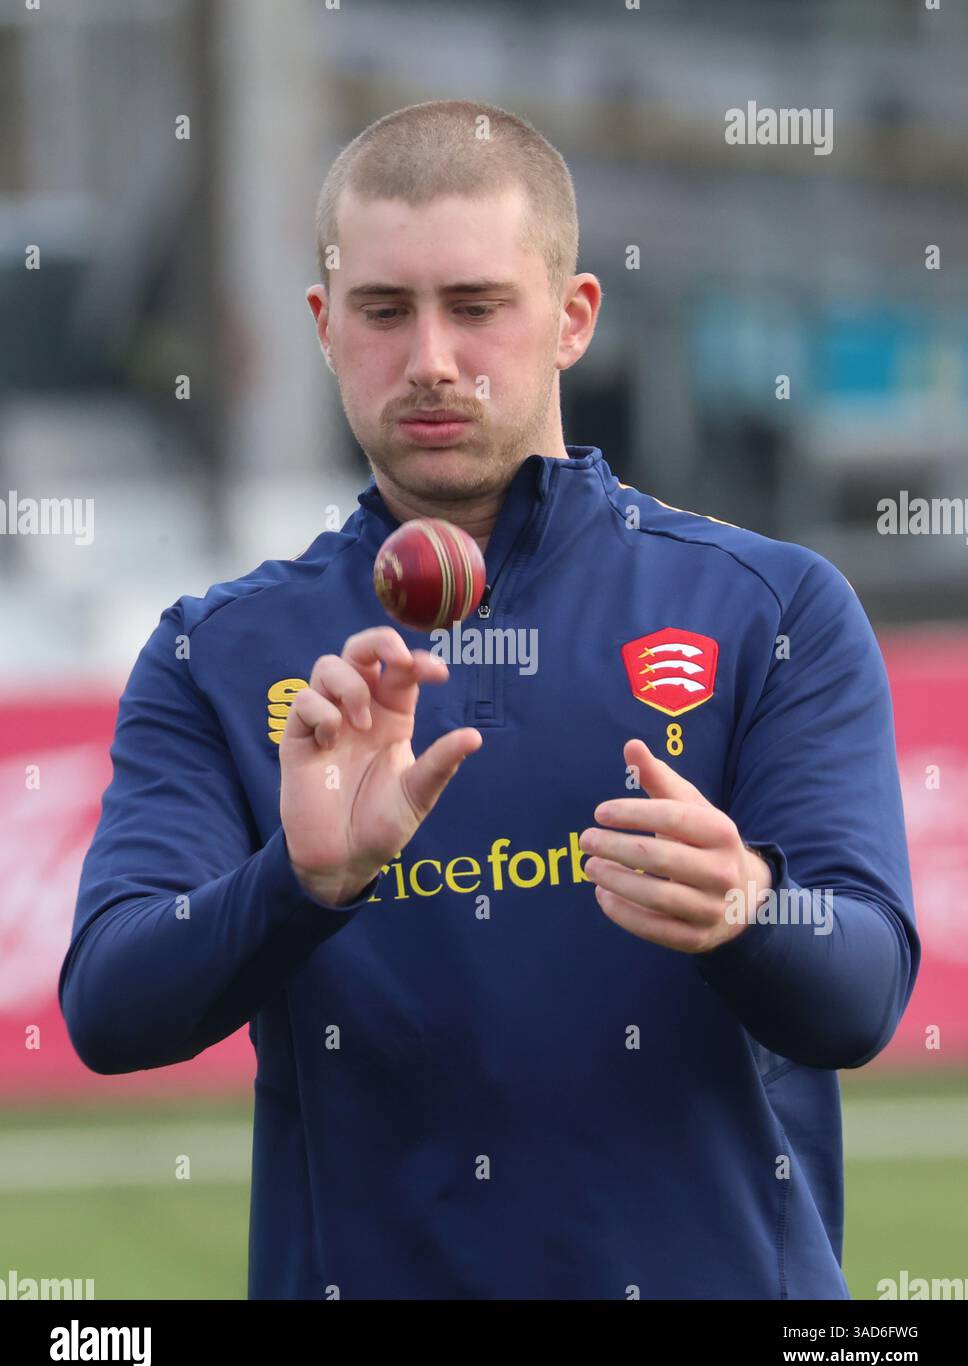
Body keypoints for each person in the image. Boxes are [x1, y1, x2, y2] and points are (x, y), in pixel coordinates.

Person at [60, 98, 919, 1300]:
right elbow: (108, 1007)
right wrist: (298, 886)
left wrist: (746, 904)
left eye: (474, 307)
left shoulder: (765, 608)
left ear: (570, 319)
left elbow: (864, 990)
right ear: (321, 324)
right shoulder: (219, 652)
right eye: (381, 310)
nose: (428, 360)